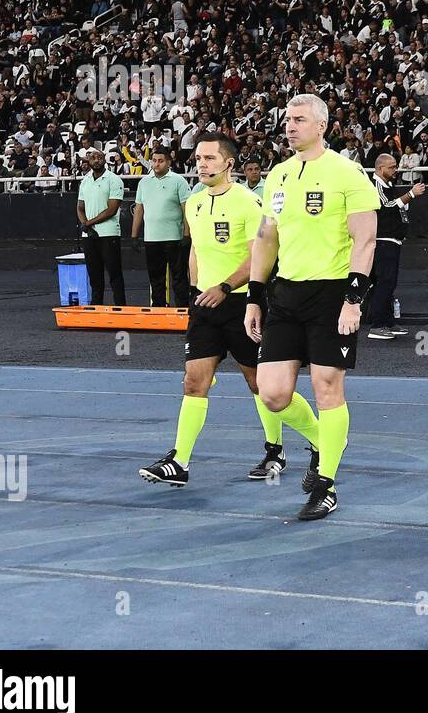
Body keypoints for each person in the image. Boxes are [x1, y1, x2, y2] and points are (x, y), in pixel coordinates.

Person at [139, 132, 312, 485]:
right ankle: (180, 462)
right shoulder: (194, 202)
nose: (201, 164)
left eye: (210, 158)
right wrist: (195, 288)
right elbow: (196, 250)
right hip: (205, 303)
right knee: (193, 382)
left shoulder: (249, 203)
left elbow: (260, 256)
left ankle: (287, 446)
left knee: (260, 384)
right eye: (199, 158)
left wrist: (226, 287)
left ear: (228, 163)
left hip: (243, 303)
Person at [244, 94, 380, 521]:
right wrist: (254, 295)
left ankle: (326, 484)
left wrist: (353, 300)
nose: (290, 126)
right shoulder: (278, 176)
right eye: (287, 119)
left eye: (299, 119)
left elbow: (366, 240)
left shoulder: (348, 173)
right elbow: (267, 239)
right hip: (286, 293)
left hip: (332, 293)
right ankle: (324, 440)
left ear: (321, 125)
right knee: (273, 393)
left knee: (326, 387)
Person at [368, 153, 425, 341]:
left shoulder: (388, 185)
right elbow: (386, 206)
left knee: (388, 284)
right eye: (391, 167)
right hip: (383, 240)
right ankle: (377, 325)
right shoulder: (374, 185)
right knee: (384, 283)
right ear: (380, 169)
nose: (396, 170)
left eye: (395, 166)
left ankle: (388, 321)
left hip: (391, 240)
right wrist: (410, 195)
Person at [132, 147, 191, 307]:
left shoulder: (179, 181)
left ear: (168, 162)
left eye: (160, 161)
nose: (156, 164)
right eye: (154, 160)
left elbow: (187, 209)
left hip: (175, 238)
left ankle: (182, 310)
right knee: (155, 277)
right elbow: (139, 209)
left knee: (179, 277)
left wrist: (187, 235)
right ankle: (158, 310)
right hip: (151, 238)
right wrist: (134, 236)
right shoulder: (144, 182)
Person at [76, 149, 126, 305]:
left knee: (114, 273)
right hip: (89, 235)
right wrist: (87, 227)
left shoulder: (114, 180)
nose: (96, 160)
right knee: (94, 274)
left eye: (99, 157)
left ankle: (120, 307)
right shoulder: (85, 181)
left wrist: (88, 224)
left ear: (105, 160)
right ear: (88, 161)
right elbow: (80, 207)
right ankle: (96, 306)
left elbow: (112, 210)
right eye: (92, 158)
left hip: (109, 233)